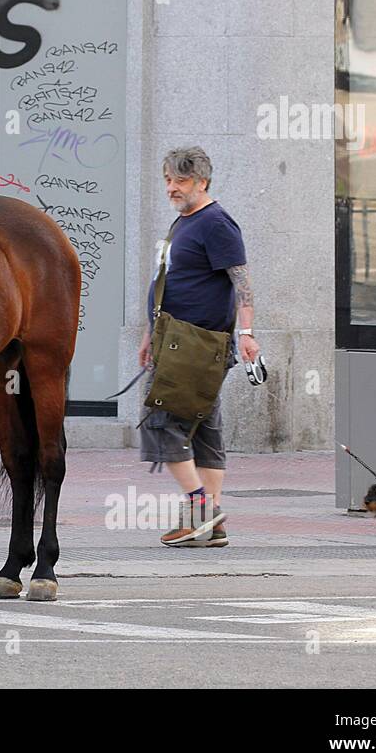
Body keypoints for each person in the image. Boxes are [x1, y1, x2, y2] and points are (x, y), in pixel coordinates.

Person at [137, 147, 261, 547]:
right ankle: (209, 524)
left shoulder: (216, 223)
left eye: (181, 181)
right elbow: (167, 282)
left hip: (194, 342)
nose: (172, 188)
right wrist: (148, 334)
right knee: (205, 428)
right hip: (175, 339)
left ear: (203, 181)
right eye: (168, 180)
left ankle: (200, 505)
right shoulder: (185, 221)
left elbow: (241, 281)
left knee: (161, 422)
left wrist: (246, 334)